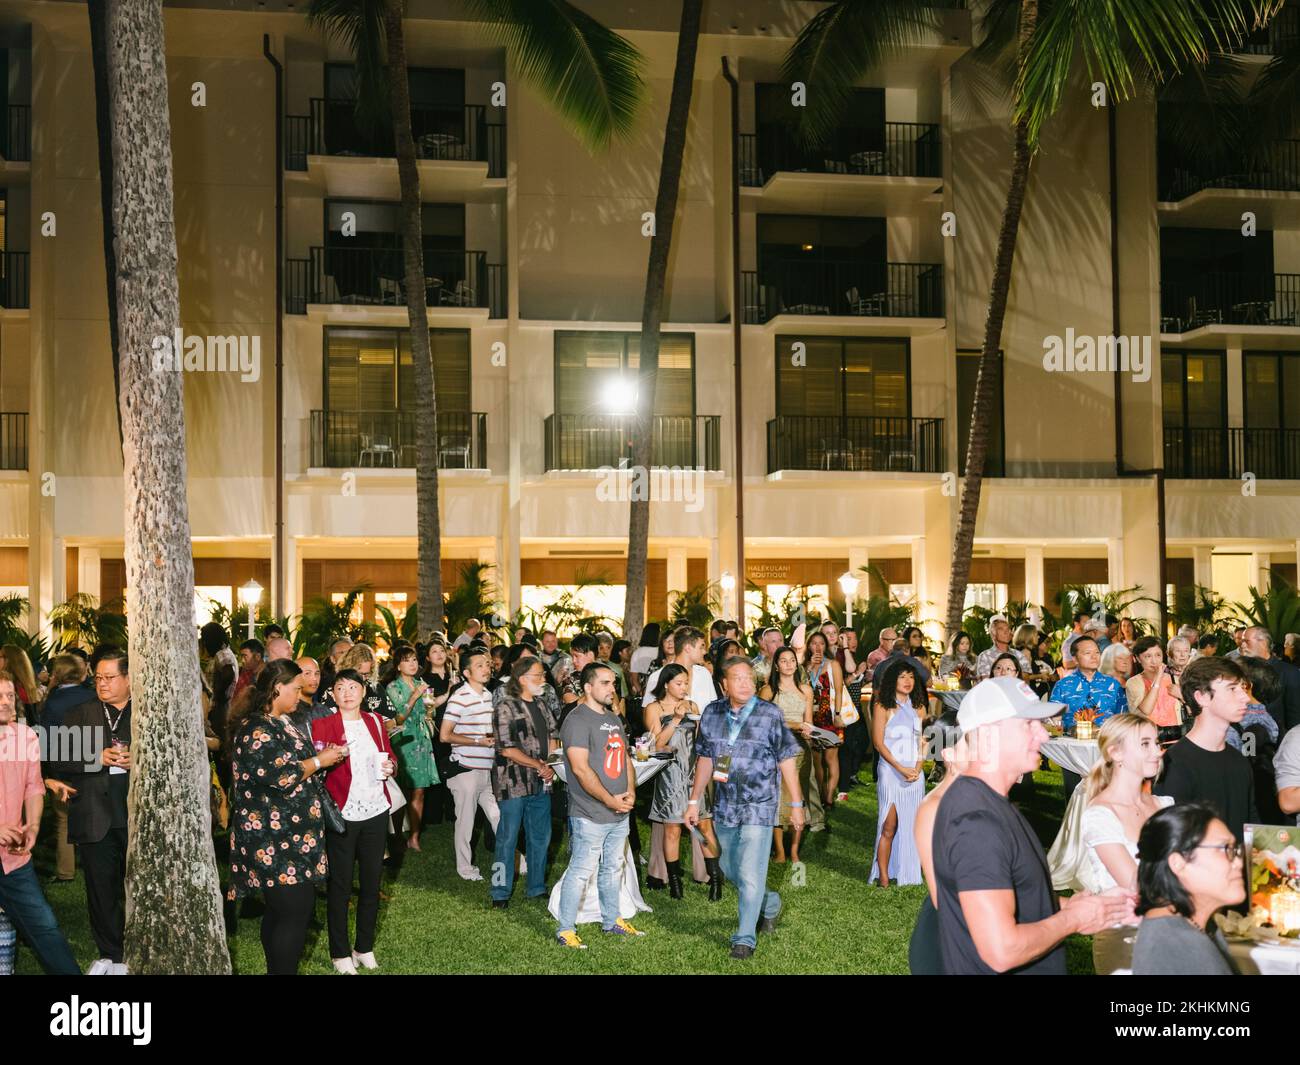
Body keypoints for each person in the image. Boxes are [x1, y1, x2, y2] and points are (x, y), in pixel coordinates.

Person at [932, 676, 1133, 973]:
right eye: (1029, 724)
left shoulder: (992, 803)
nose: (1043, 736)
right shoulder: (976, 822)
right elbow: (1002, 950)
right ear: (988, 736)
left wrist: (1081, 906)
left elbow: (1013, 895)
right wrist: (1075, 920)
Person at [686, 657, 803, 959]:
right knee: (727, 867)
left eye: (750, 678)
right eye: (737, 678)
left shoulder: (769, 714)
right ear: (724, 684)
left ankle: (745, 937)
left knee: (750, 873)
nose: (745, 684)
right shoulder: (711, 713)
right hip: (725, 804)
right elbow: (705, 758)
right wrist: (694, 800)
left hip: (760, 805)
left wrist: (797, 803)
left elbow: (787, 759)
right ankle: (769, 901)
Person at [227, 659, 339, 976]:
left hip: (294, 837)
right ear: (278, 688)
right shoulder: (255, 729)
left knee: (284, 911)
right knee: (294, 910)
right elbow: (282, 774)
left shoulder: (283, 722)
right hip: (272, 839)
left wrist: (321, 756)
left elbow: (299, 761)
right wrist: (320, 760)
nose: (299, 695)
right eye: (296, 689)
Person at [43, 648, 133, 975]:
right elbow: (59, 760)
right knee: (100, 889)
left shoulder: (148, 715)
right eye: (98, 678)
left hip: (136, 815)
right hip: (95, 815)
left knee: (137, 889)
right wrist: (97, 757)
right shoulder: (79, 713)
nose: (103, 684)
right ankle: (112, 955)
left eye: (110, 678)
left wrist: (138, 759)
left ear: (129, 678)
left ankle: (136, 948)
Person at [312, 667, 398, 974]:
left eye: (353, 687)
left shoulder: (374, 721)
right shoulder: (323, 725)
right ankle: (339, 952)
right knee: (341, 885)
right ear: (333, 694)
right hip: (343, 813)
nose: (347, 693)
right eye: (340, 688)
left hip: (376, 809)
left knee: (372, 882)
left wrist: (390, 766)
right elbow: (316, 769)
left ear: (363, 692)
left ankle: (363, 947)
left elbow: (388, 755)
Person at [555, 662, 643, 947]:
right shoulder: (577, 720)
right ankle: (566, 929)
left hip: (618, 811)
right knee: (581, 870)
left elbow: (626, 760)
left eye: (613, 683)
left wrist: (629, 791)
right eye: (605, 683)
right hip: (590, 813)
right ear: (588, 687)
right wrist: (609, 800)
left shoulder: (613, 718)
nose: (612, 689)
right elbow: (580, 769)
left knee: (612, 868)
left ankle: (612, 920)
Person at [1079, 714, 1174, 974]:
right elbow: (1136, 885)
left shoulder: (1165, 805)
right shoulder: (1101, 814)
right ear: (1115, 752)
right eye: (1145, 744)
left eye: (1156, 742)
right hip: (1126, 937)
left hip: (1174, 929)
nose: (1157, 751)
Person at [0, 670, 80, 974]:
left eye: (10, 695)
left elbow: (33, 786)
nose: (6, 702)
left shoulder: (27, 737)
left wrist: (32, 826)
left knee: (45, 927)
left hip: (14, 860)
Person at [1132, 803, 1244, 975]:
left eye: (1235, 850)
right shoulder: (1177, 945)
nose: (1239, 863)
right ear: (1179, 863)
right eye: (1224, 849)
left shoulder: (1188, 929)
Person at [1154, 657, 1257, 843]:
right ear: (1201, 697)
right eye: (1232, 689)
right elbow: (1172, 839)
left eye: (1242, 688)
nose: (1245, 697)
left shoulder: (1239, 761)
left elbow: (1250, 828)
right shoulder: (1175, 764)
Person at [643, 664, 723, 900]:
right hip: (669, 774)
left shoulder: (693, 706)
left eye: (686, 683)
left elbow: (700, 741)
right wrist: (676, 719)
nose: (683, 687)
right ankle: (675, 885)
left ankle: (715, 881)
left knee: (705, 825)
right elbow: (657, 744)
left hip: (693, 773)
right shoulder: (653, 708)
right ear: (666, 684)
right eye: (679, 683)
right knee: (672, 829)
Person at [489, 657, 556, 908]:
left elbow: (553, 736)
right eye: (538, 676)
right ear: (522, 679)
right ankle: (499, 892)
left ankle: (536, 887)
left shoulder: (541, 705)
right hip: (512, 782)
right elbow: (506, 749)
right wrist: (539, 765)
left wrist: (550, 765)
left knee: (541, 836)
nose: (543, 680)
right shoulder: (505, 707)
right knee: (507, 838)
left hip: (541, 783)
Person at [439, 647, 502, 881]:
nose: (486, 668)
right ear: (466, 672)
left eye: (487, 664)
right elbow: (445, 735)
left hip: (486, 771)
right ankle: (465, 868)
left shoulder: (488, 696)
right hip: (465, 770)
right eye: (480, 665)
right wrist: (477, 741)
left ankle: (517, 860)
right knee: (465, 823)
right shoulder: (459, 698)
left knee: (497, 816)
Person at [869, 658, 928, 887]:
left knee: (912, 826)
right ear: (892, 680)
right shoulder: (882, 706)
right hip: (891, 771)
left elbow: (923, 741)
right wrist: (900, 768)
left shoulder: (919, 707)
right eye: (902, 676)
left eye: (911, 677)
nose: (908, 681)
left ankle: (908, 873)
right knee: (889, 825)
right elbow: (878, 744)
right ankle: (883, 875)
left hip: (913, 773)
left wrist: (917, 769)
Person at [1049, 634, 1127, 796]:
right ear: (1075, 659)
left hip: (1106, 750)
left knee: (1107, 796)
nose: (1094, 656)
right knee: (1074, 795)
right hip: (1073, 752)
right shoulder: (1063, 685)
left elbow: (1123, 717)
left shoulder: (1113, 684)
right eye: (1087, 653)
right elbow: (1053, 720)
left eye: (1097, 652)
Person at [38, 653, 90, 885]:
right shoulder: (93, 697)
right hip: (92, 765)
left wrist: (46, 769)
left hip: (61, 769)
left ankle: (65, 871)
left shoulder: (53, 702)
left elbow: (45, 740)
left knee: (64, 820)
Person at [760, 647, 815, 861]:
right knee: (777, 796)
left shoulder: (805, 690)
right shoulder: (768, 691)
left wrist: (812, 732)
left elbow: (808, 721)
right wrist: (795, 724)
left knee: (797, 795)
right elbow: (763, 721)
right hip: (775, 748)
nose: (789, 664)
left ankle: (793, 850)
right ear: (776, 665)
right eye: (784, 661)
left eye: (792, 660)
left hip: (801, 748)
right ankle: (780, 851)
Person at [382, 645, 439, 850]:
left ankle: (414, 836)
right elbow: (398, 717)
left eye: (415, 659)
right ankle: (396, 834)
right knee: (401, 790)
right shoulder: (393, 688)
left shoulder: (421, 683)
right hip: (403, 740)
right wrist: (415, 696)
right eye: (407, 660)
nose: (413, 664)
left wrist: (430, 710)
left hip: (422, 740)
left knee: (420, 790)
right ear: (398, 665)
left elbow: (428, 712)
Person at [803, 630, 847, 810]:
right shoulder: (803, 666)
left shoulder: (833, 665)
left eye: (821, 643)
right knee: (816, 761)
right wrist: (808, 668)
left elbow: (838, 691)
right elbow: (799, 687)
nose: (818, 647)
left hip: (829, 717)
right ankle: (821, 793)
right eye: (814, 643)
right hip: (810, 718)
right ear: (808, 646)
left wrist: (837, 715)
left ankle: (829, 798)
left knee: (831, 758)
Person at [1240, 626, 1300, 737]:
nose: (1242, 645)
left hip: (1272, 744)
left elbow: (1295, 717)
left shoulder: (1289, 673)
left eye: (1246, 641)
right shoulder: (1237, 670)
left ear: (1263, 643)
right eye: (1242, 641)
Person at [644, 626, 718, 716]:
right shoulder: (657, 676)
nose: (704, 652)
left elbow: (713, 709)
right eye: (701, 647)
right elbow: (647, 715)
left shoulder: (704, 674)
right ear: (688, 648)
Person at [1125, 636, 1185, 732]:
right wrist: (1158, 679)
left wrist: (1182, 696)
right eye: (1148, 656)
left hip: (1176, 735)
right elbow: (1147, 710)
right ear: (1138, 659)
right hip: (1147, 736)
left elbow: (1193, 710)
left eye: (1158, 655)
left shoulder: (1175, 679)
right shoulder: (1133, 683)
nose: (1154, 661)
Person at [289, 656, 331, 737]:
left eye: (317, 673)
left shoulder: (325, 711)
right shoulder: (288, 712)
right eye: (307, 673)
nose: (314, 678)